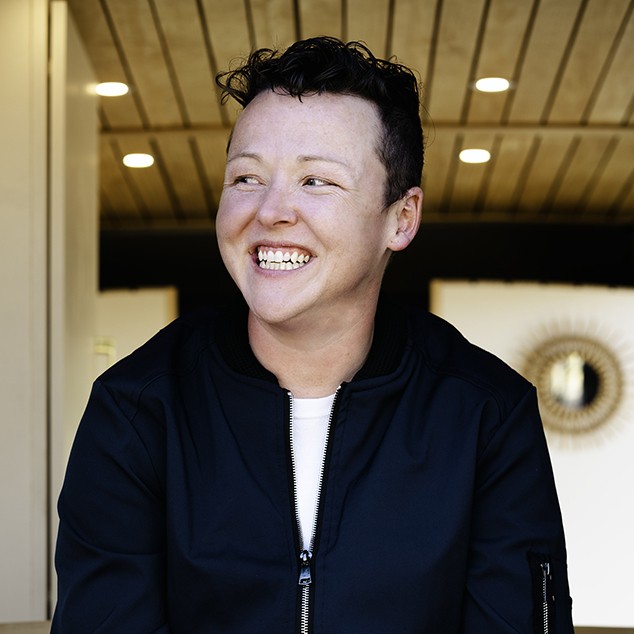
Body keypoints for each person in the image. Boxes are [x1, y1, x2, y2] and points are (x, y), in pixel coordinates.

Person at [52, 36, 574, 632]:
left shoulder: (486, 414)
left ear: (401, 218)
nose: (270, 211)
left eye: (316, 181)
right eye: (246, 178)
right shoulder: (137, 409)